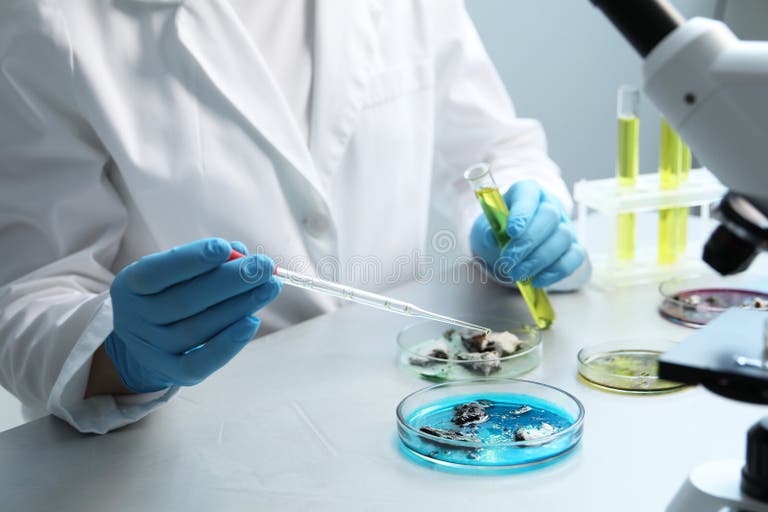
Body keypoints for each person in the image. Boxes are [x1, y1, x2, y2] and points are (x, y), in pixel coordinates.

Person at [0, 0, 587, 434]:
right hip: (190, 438)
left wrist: (521, 201)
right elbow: (29, 292)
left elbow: (489, 150)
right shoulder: (47, 19)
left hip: (415, 409)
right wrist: (119, 355)